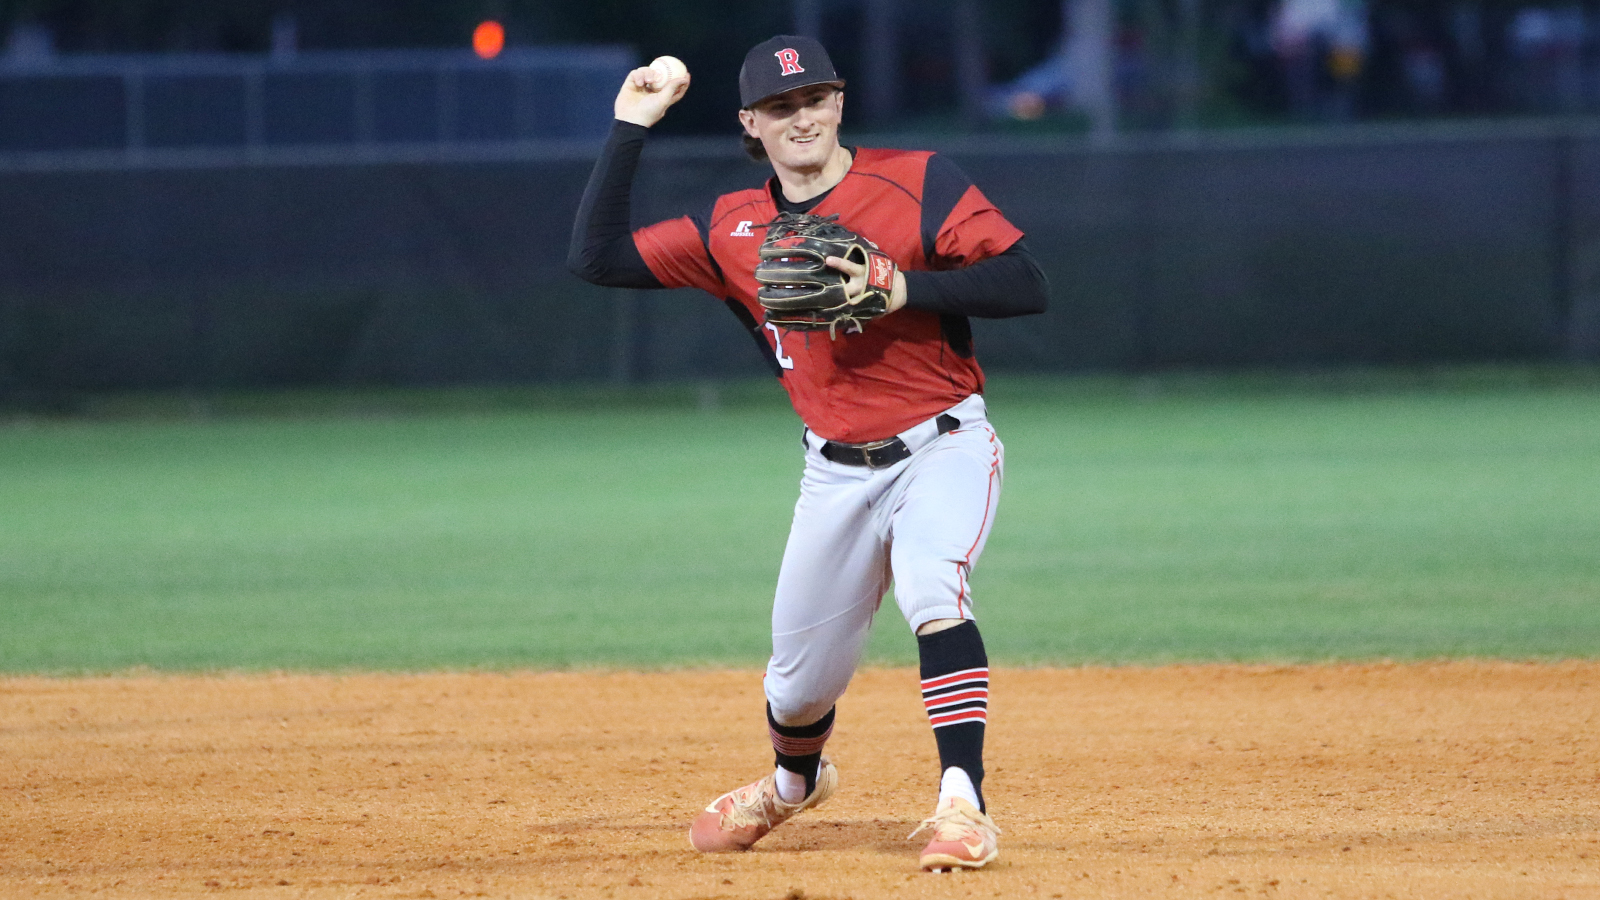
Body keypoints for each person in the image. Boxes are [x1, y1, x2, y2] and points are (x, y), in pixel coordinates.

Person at [568, 35, 1048, 872]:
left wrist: (904, 287)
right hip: (831, 471)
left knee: (935, 587)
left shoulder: (919, 180)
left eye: (815, 99)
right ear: (751, 123)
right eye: (781, 107)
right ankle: (793, 787)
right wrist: (629, 126)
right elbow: (596, 260)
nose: (803, 118)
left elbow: (1025, 281)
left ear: (838, 103)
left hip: (942, 442)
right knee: (795, 688)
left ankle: (963, 806)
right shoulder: (729, 227)